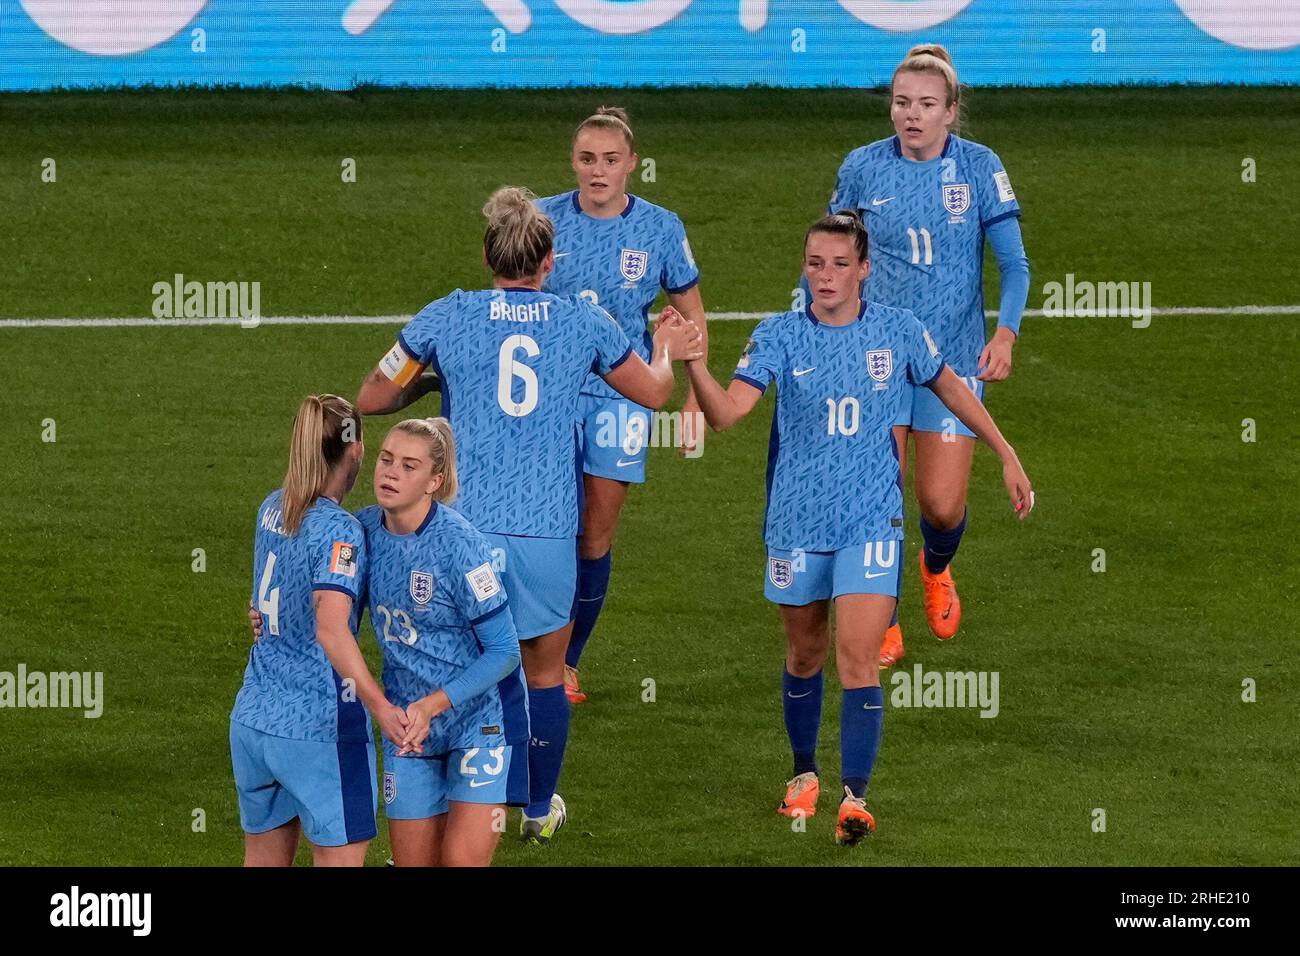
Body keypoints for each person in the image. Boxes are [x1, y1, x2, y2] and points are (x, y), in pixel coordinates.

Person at [356, 186, 702, 844]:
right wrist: (665, 346)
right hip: (546, 532)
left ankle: (438, 809)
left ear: (488, 258)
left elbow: (372, 395)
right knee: (544, 675)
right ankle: (537, 808)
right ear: (549, 263)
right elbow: (655, 393)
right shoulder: (584, 321)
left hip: (460, 533)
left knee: (453, 667)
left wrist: (438, 381)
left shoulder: (448, 315)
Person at [686, 212, 1032, 844]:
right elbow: (728, 414)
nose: (826, 276)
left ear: (865, 269)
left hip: (871, 522)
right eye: (815, 263)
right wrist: (693, 368)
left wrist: (1005, 453)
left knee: (858, 658)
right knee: (805, 653)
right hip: (796, 522)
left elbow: (954, 390)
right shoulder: (778, 334)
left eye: (840, 264)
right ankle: (803, 772)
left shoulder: (898, 330)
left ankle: (854, 798)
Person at [822, 44, 1031, 666]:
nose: (912, 114)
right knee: (877, 498)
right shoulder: (862, 167)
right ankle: (883, 616)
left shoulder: (979, 167)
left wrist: (1006, 334)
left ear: (951, 110)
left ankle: (936, 567)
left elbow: (1015, 265)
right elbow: (832, 256)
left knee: (941, 506)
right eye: (902, 102)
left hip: (953, 360)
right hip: (876, 360)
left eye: (926, 104)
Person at [536, 106, 708, 704]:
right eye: (587, 159)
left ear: (632, 164)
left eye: (610, 160)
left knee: (592, 534)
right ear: (573, 161)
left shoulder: (660, 228)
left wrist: (695, 398)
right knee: (546, 526)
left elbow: (690, 315)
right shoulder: (542, 220)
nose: (598, 170)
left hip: (623, 396)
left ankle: (567, 662)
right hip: (550, 397)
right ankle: (530, 654)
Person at [231, 394, 408, 866]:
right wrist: (382, 708)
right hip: (319, 727)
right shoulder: (338, 530)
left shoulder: (272, 507)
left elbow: (268, 604)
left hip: (254, 720)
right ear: (357, 450)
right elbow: (331, 631)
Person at [360, 418, 523, 867]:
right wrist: (264, 614)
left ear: (434, 481)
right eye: (386, 459)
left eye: (409, 466)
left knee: (460, 861)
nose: (390, 472)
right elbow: (329, 606)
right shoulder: (362, 533)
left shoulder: (461, 547)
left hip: (479, 723)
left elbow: (505, 651)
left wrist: (432, 705)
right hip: (407, 726)